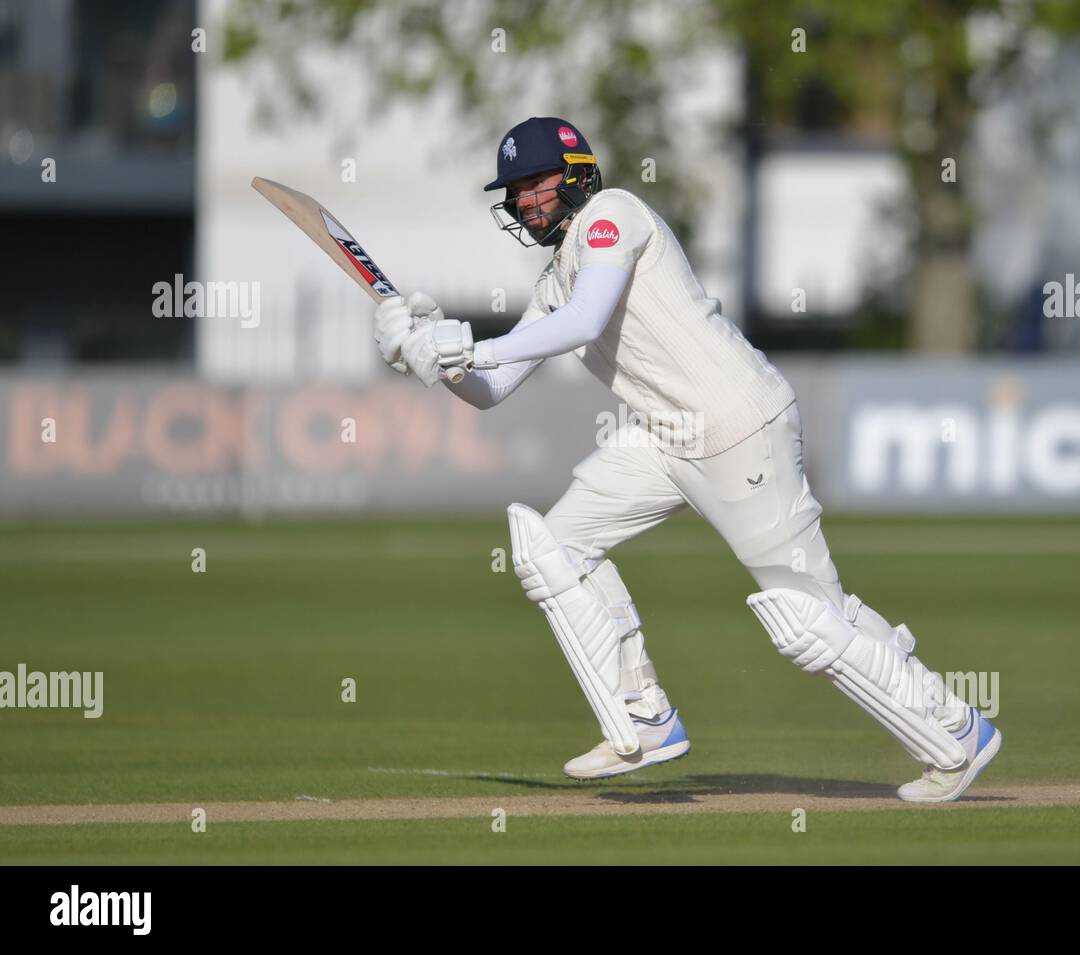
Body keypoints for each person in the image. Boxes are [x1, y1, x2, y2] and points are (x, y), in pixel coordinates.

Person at [372, 117, 1001, 801]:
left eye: (536, 183)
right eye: (516, 192)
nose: (526, 202)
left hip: (738, 425)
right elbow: (491, 390)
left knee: (807, 618)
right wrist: (426, 356)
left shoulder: (613, 215)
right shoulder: (556, 278)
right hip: (665, 435)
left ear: (577, 172)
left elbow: (584, 321)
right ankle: (644, 717)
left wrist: (471, 344)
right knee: (552, 547)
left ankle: (954, 731)